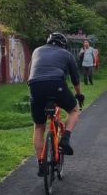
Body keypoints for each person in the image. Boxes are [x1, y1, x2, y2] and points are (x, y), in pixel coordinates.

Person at [28, 32, 84, 175]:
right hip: (56, 84)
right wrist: (78, 95)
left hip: (35, 85)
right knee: (74, 110)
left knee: (39, 126)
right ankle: (65, 139)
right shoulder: (66, 54)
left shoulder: (37, 50)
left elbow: (31, 71)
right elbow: (75, 78)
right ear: (63, 45)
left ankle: (41, 163)